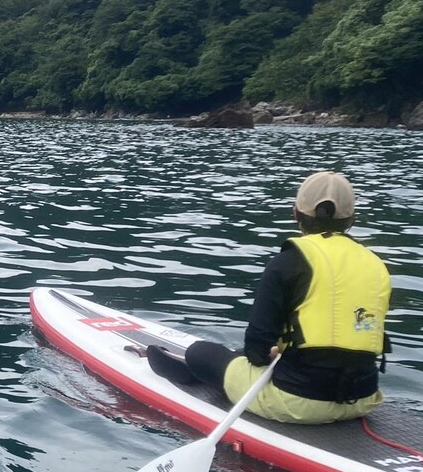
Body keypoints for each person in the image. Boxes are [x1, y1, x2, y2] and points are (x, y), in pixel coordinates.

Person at [147, 171, 391, 424]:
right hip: (362, 399)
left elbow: (256, 351)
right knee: (259, 354)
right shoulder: (377, 266)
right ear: (352, 218)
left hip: (298, 403)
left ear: (295, 213)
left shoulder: (289, 262)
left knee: (200, 352)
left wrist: (269, 353)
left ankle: (195, 373)